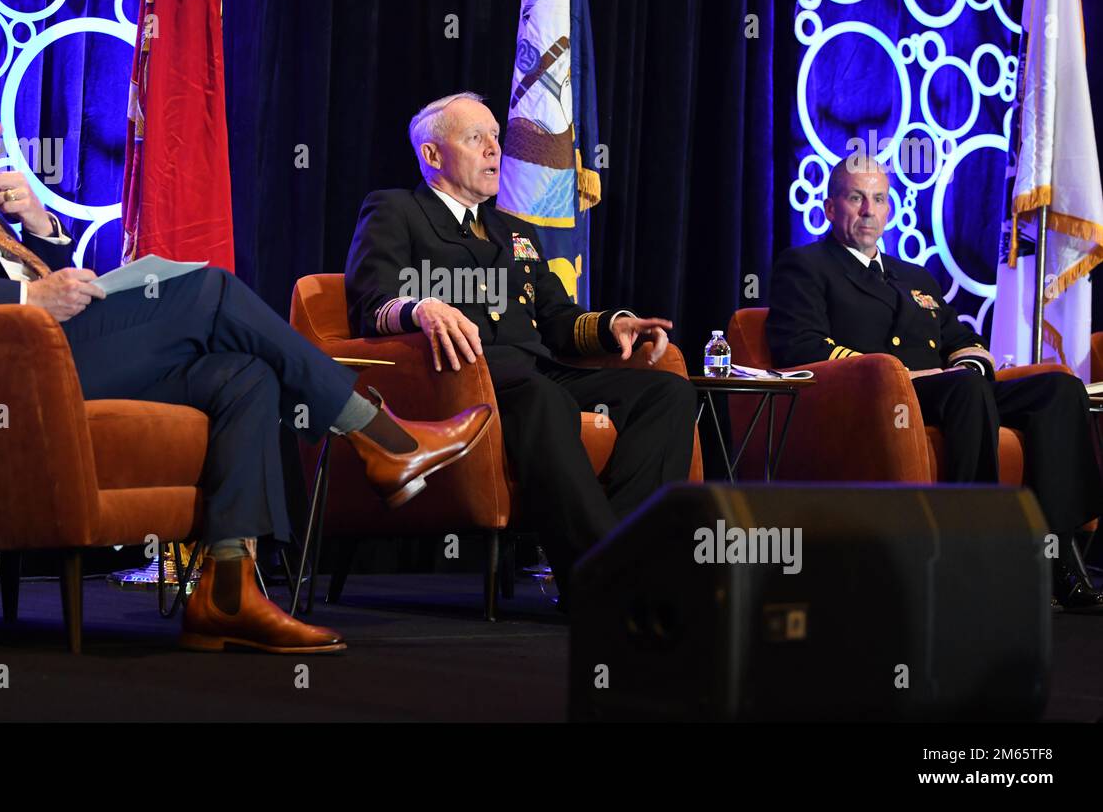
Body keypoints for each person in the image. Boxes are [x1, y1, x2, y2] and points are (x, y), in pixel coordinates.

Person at [0, 50, 495, 653]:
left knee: (244, 374)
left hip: (51, 356)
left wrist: (38, 226)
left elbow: (48, 279)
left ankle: (226, 594)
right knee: (210, 289)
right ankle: (382, 438)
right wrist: (30, 304)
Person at [344, 92, 698, 597]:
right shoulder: (397, 210)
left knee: (668, 394)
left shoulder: (514, 230)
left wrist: (612, 325)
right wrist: (421, 306)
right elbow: (371, 300)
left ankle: (620, 556)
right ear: (432, 155)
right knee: (541, 396)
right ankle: (600, 585)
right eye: (476, 139)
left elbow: (555, 317)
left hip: (536, 371)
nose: (495, 149)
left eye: (495, 137)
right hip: (464, 379)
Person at [766, 153, 1103, 610]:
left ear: (890, 209)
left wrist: (972, 367)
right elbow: (798, 345)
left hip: (948, 389)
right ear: (830, 208)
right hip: (875, 396)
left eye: (879, 199)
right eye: (855, 198)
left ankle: (1059, 557)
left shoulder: (914, 276)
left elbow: (962, 339)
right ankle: (972, 551)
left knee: (1058, 390)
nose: (868, 210)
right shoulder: (806, 266)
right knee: (963, 388)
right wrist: (898, 375)